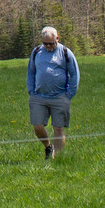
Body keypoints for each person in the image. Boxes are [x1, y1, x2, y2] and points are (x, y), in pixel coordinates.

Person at [27, 26, 79, 159]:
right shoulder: (36, 52)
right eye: (45, 44)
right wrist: (31, 91)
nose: (48, 46)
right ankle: (48, 147)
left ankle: (58, 158)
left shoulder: (66, 52)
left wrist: (69, 95)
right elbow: (31, 72)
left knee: (58, 128)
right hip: (39, 96)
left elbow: (74, 74)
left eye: (51, 43)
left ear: (57, 39)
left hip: (60, 96)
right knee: (37, 126)